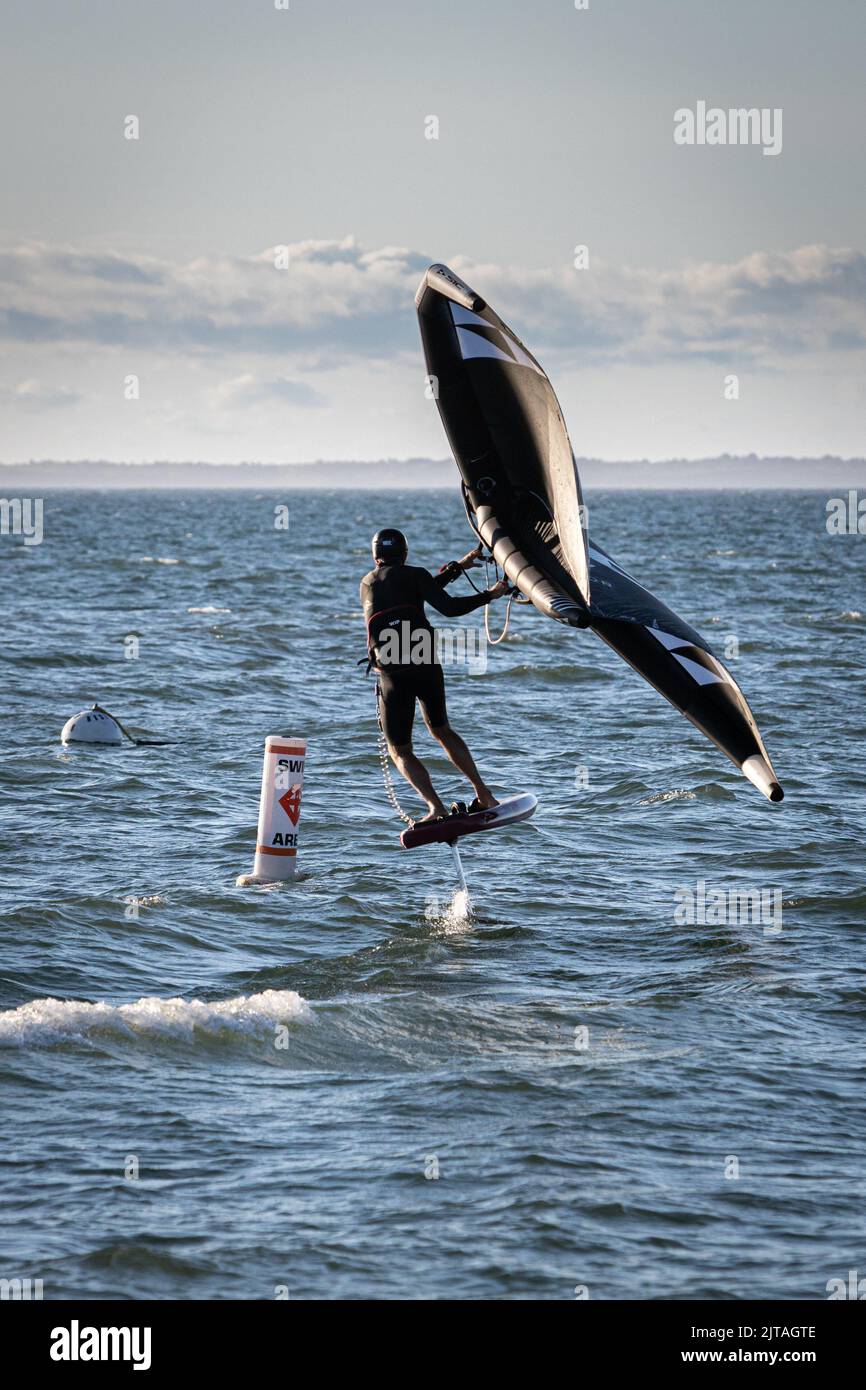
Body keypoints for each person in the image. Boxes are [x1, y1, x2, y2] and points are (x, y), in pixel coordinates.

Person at [360, 528, 510, 825]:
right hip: (424, 660)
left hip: (392, 671)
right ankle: (484, 795)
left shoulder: (366, 583)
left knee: (400, 750)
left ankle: (436, 807)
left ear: (375, 555)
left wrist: (457, 568)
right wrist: (490, 595)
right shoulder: (416, 575)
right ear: (405, 553)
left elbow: (418, 591)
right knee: (442, 730)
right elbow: (445, 605)